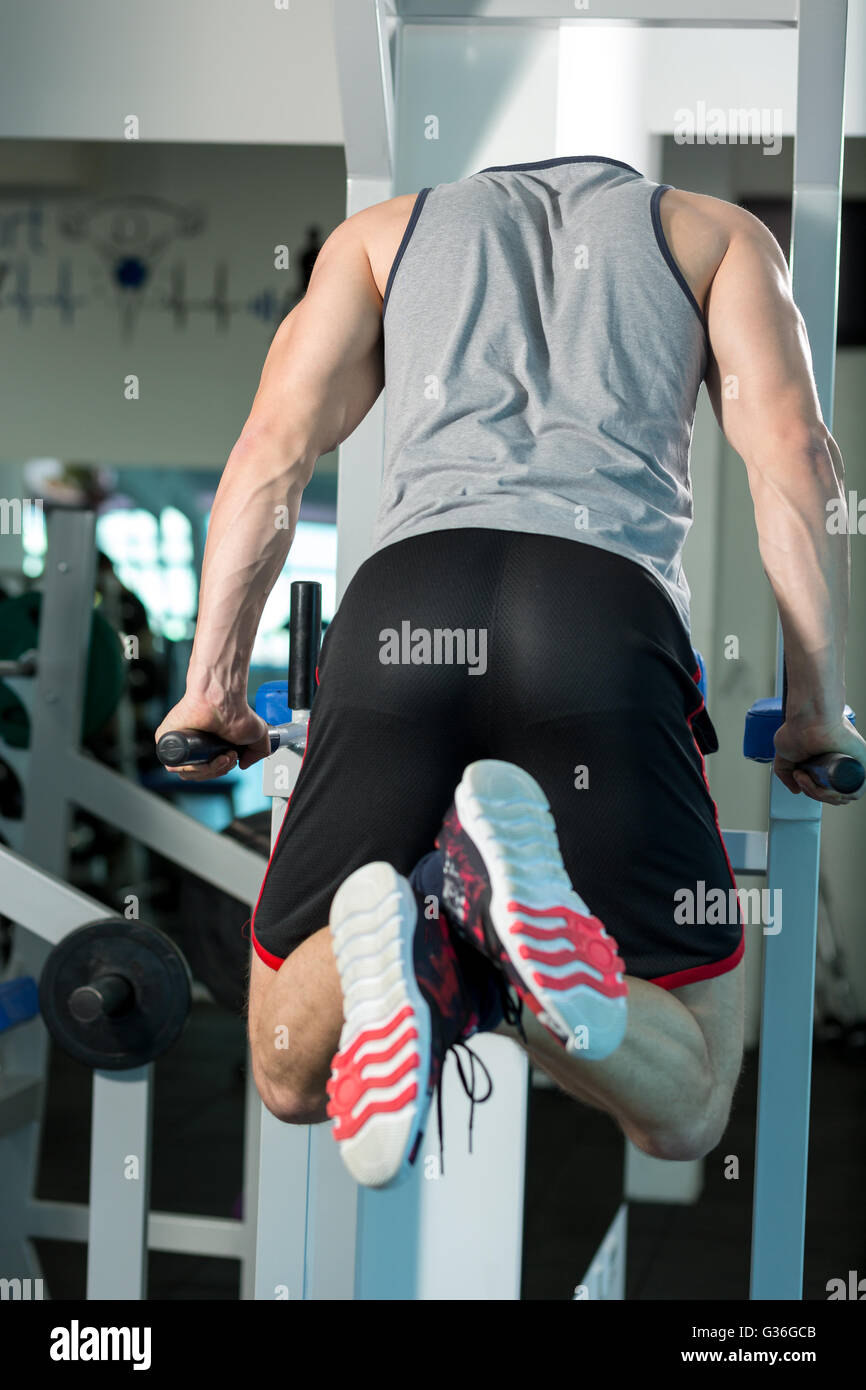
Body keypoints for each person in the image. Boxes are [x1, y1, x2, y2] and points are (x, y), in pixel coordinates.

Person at [156, 156, 865, 1189]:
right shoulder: (715, 235)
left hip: (404, 605)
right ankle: (496, 934)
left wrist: (210, 685)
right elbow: (796, 456)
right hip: (597, 619)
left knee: (289, 1076)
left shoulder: (380, 236)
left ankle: (444, 935)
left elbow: (271, 447)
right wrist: (817, 708)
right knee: (687, 1113)